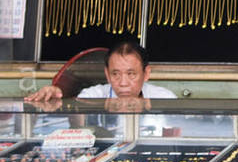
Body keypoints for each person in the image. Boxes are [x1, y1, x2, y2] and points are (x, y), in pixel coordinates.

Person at [26, 37, 176, 112]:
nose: (123, 83)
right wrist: (57, 96)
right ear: (107, 74)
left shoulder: (166, 99)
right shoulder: (91, 97)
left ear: (146, 73)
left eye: (131, 74)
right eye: (115, 74)